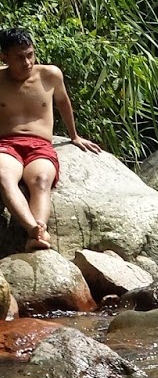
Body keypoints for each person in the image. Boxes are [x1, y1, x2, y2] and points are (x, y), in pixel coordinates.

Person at [0, 25, 100, 249]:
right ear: (4, 57)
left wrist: (74, 136)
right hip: (7, 144)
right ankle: (34, 230)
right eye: (19, 58)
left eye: (30, 55)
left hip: (40, 145)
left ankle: (36, 234)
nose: (27, 62)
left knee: (41, 181)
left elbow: (64, 102)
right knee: (4, 177)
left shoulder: (50, 75)